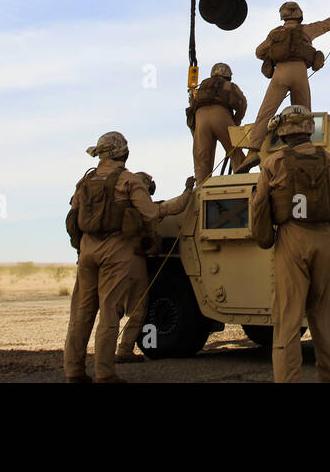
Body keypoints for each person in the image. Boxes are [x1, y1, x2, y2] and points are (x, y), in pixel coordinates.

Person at [63, 131, 186, 383]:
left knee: (81, 312)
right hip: (117, 251)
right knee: (109, 312)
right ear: (123, 152)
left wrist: (81, 247)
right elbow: (152, 213)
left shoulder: (84, 182)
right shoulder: (128, 181)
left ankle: (74, 371)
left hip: (87, 250)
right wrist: (185, 199)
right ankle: (105, 374)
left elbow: (73, 218)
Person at [249, 105, 330, 382]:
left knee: (288, 322)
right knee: (327, 320)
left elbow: (259, 206)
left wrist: (266, 237)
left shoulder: (273, 164)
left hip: (291, 238)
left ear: (283, 132)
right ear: (308, 129)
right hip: (325, 238)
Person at [116, 171, 195, 362]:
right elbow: (173, 207)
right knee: (139, 308)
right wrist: (188, 191)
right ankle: (125, 350)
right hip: (135, 262)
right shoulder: (146, 209)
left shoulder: (118, 208)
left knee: (114, 310)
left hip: (114, 261)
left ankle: (105, 351)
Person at [243, 2, 330, 154]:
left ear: (283, 16)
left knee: (266, 112)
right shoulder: (307, 30)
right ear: (299, 14)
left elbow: (259, 52)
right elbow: (325, 26)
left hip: (280, 72)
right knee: (303, 113)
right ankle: (305, 150)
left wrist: (273, 54)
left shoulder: (275, 33)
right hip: (300, 71)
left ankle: (252, 152)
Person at [186, 62, 249, 183]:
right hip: (221, 116)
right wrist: (235, 123)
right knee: (235, 152)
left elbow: (191, 113)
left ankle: (201, 188)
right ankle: (241, 181)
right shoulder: (229, 86)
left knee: (202, 161)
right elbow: (242, 104)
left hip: (200, 119)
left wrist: (196, 133)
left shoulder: (201, 90)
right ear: (228, 76)